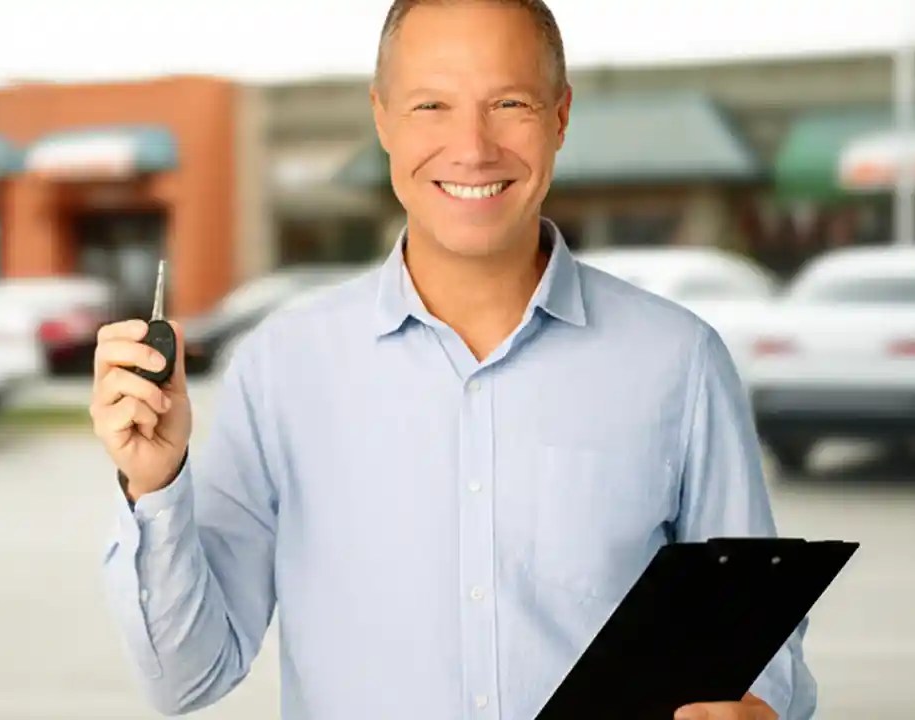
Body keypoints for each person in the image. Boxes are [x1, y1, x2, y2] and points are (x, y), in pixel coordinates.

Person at [91, 1, 815, 718]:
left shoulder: (678, 362)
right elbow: (188, 678)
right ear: (382, 118)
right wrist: (154, 486)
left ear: (560, 117)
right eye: (432, 104)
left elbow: (757, 646)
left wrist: (759, 705)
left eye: (508, 102)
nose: (472, 147)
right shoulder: (280, 368)